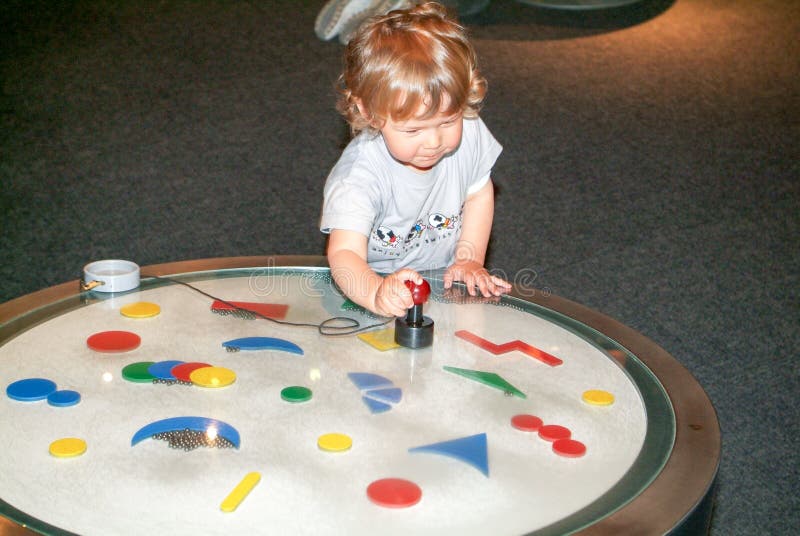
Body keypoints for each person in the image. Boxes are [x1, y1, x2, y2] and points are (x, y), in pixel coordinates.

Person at [320, 1, 511, 318]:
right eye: (413, 130)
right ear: (369, 112)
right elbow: (344, 253)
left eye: (448, 121)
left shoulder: (472, 131)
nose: (434, 141)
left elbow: (479, 192)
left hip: (441, 274)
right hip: (374, 281)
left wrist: (468, 258)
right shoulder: (358, 177)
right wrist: (375, 292)